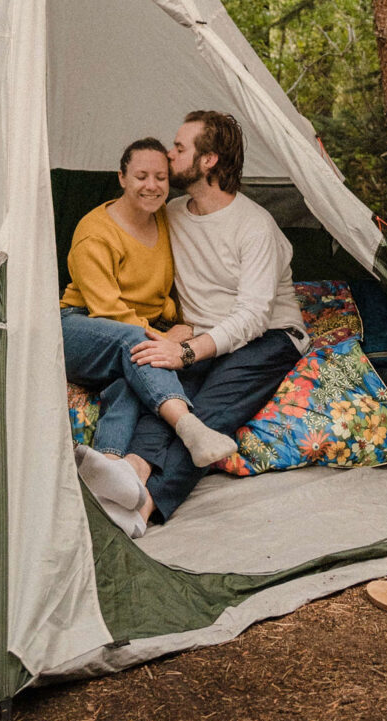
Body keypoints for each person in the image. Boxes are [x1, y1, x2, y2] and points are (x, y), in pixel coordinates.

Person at [116, 110, 308, 529]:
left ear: (208, 161)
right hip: (203, 336)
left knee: (206, 413)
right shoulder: (172, 214)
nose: (169, 154)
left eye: (179, 148)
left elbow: (253, 316)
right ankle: (131, 471)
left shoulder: (254, 226)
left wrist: (186, 352)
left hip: (269, 336)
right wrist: (178, 339)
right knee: (166, 393)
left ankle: (147, 506)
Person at [60, 138, 239, 536]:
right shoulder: (95, 232)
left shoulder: (163, 221)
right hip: (77, 327)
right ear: (122, 178)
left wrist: (180, 324)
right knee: (136, 345)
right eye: (141, 176)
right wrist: (165, 338)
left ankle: (111, 473)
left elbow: (165, 294)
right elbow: (107, 310)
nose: (152, 186)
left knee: (133, 378)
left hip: (131, 334)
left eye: (160, 177)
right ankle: (189, 427)